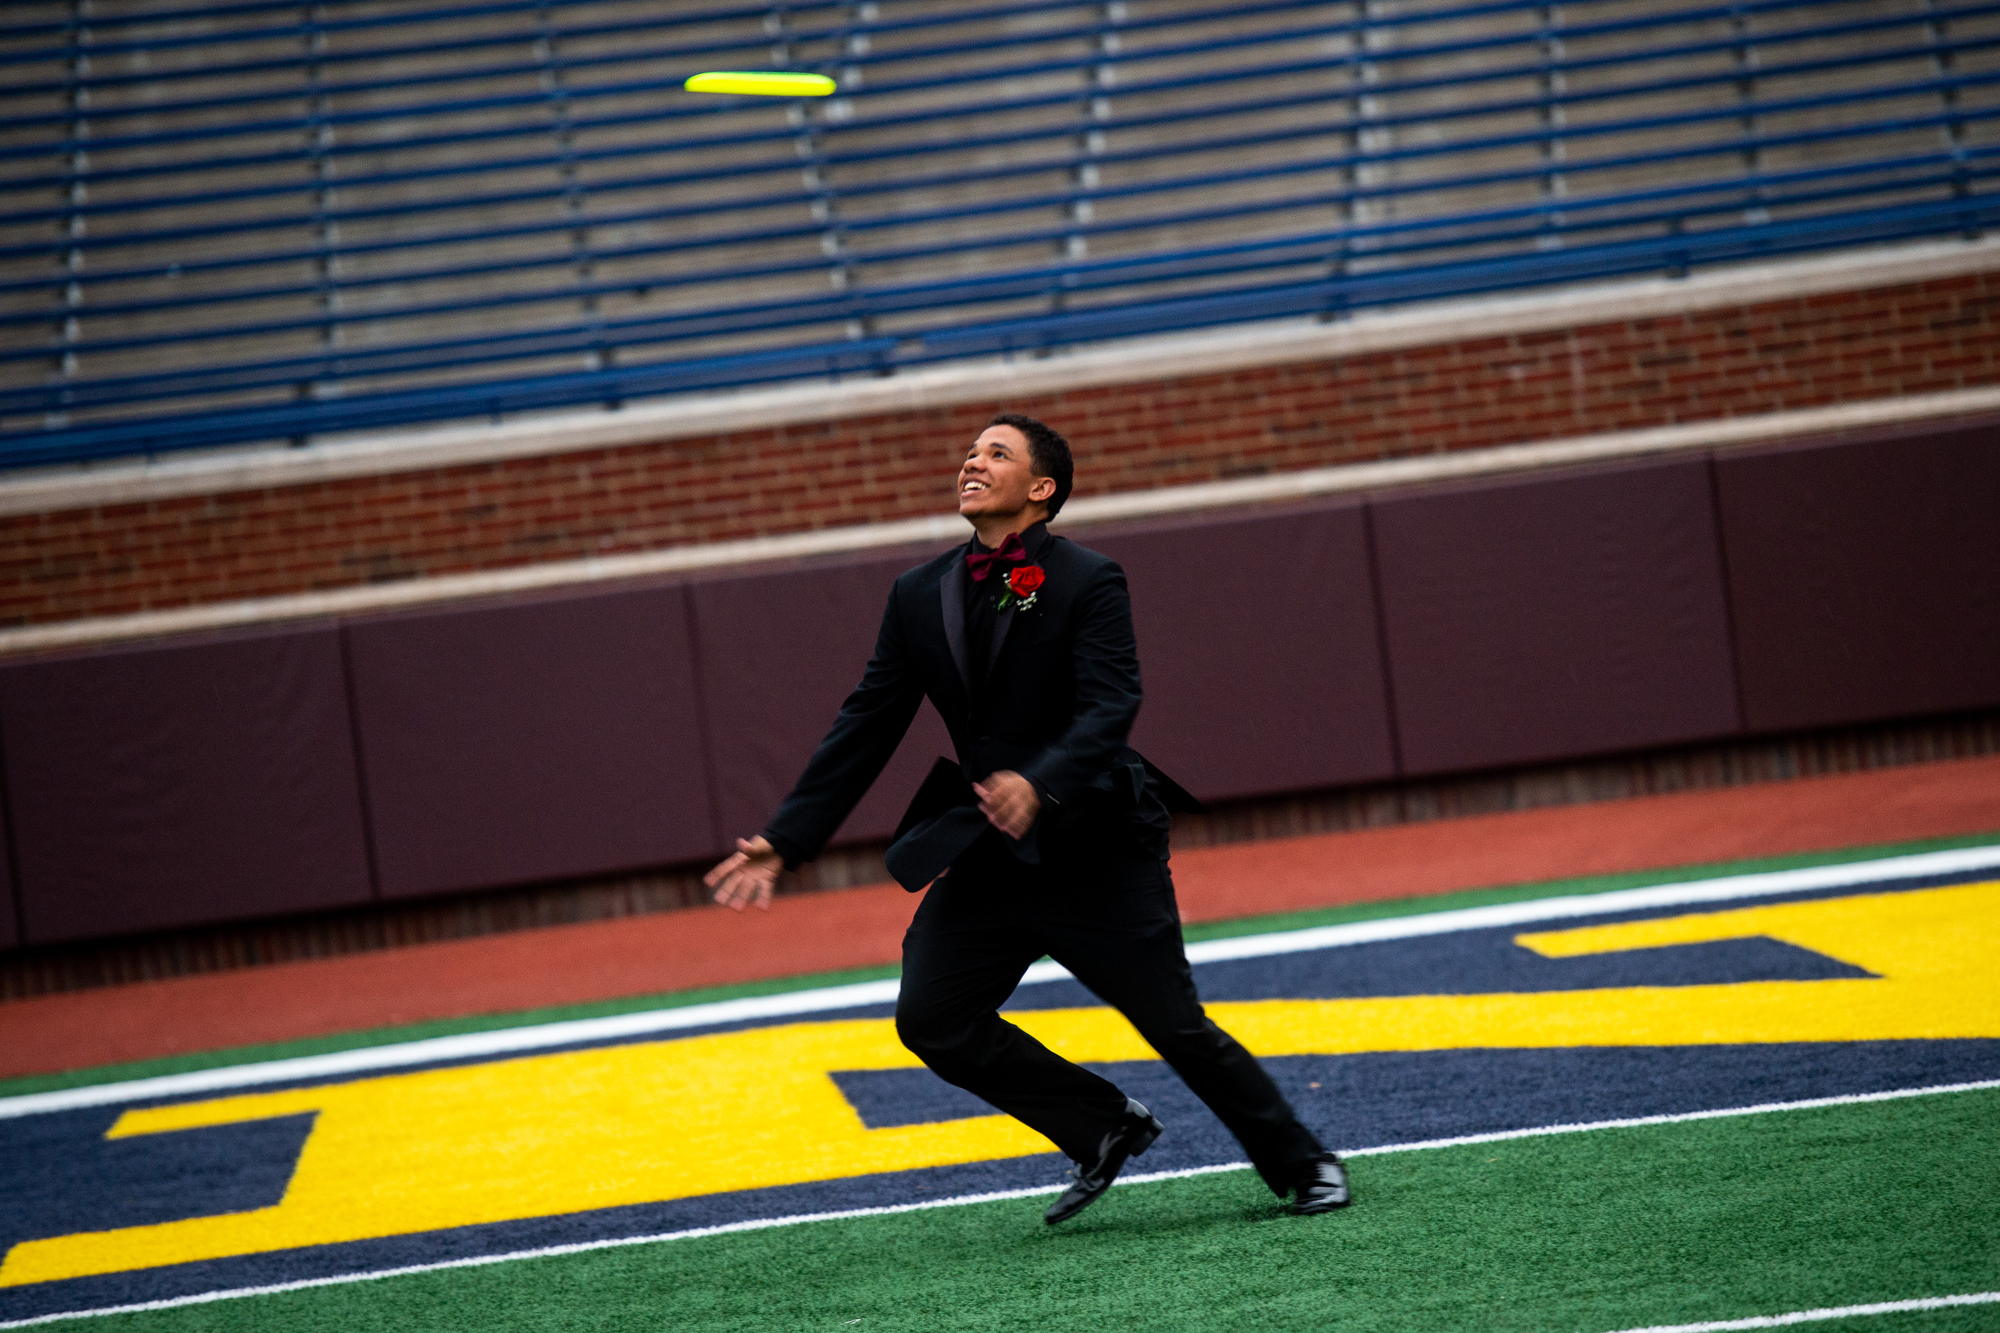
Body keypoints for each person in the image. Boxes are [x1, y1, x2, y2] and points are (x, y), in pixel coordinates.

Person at [704, 413, 1350, 1223]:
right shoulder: (916, 595)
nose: (973, 461)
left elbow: (1113, 703)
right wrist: (786, 837)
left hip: (1098, 847)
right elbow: (866, 721)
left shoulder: (1089, 578)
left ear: (1040, 489)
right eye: (971, 452)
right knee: (933, 1018)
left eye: (996, 453)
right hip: (990, 851)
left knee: (1175, 1026)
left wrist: (1041, 782)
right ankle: (1104, 1124)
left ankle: (1306, 1162)